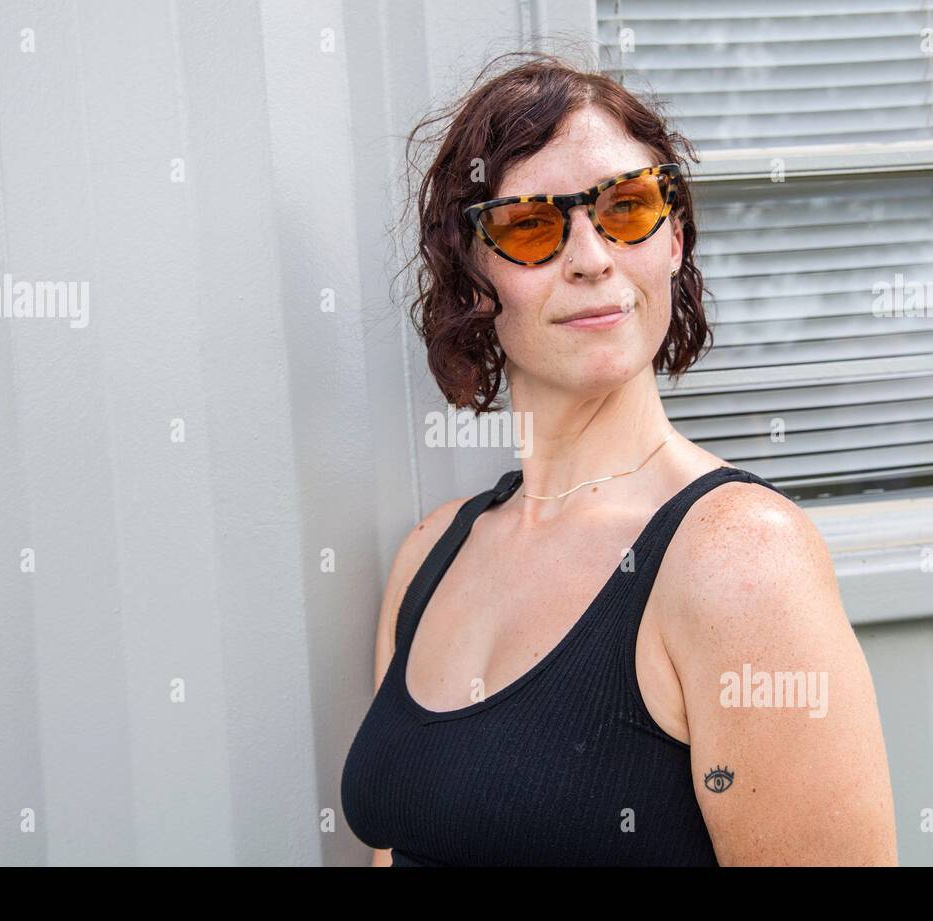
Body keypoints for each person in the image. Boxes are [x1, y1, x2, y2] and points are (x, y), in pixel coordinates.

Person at [340, 52, 897, 866]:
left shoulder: (740, 559)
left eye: (627, 209)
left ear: (672, 238)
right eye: (531, 223)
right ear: (471, 276)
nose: (592, 256)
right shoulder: (430, 556)